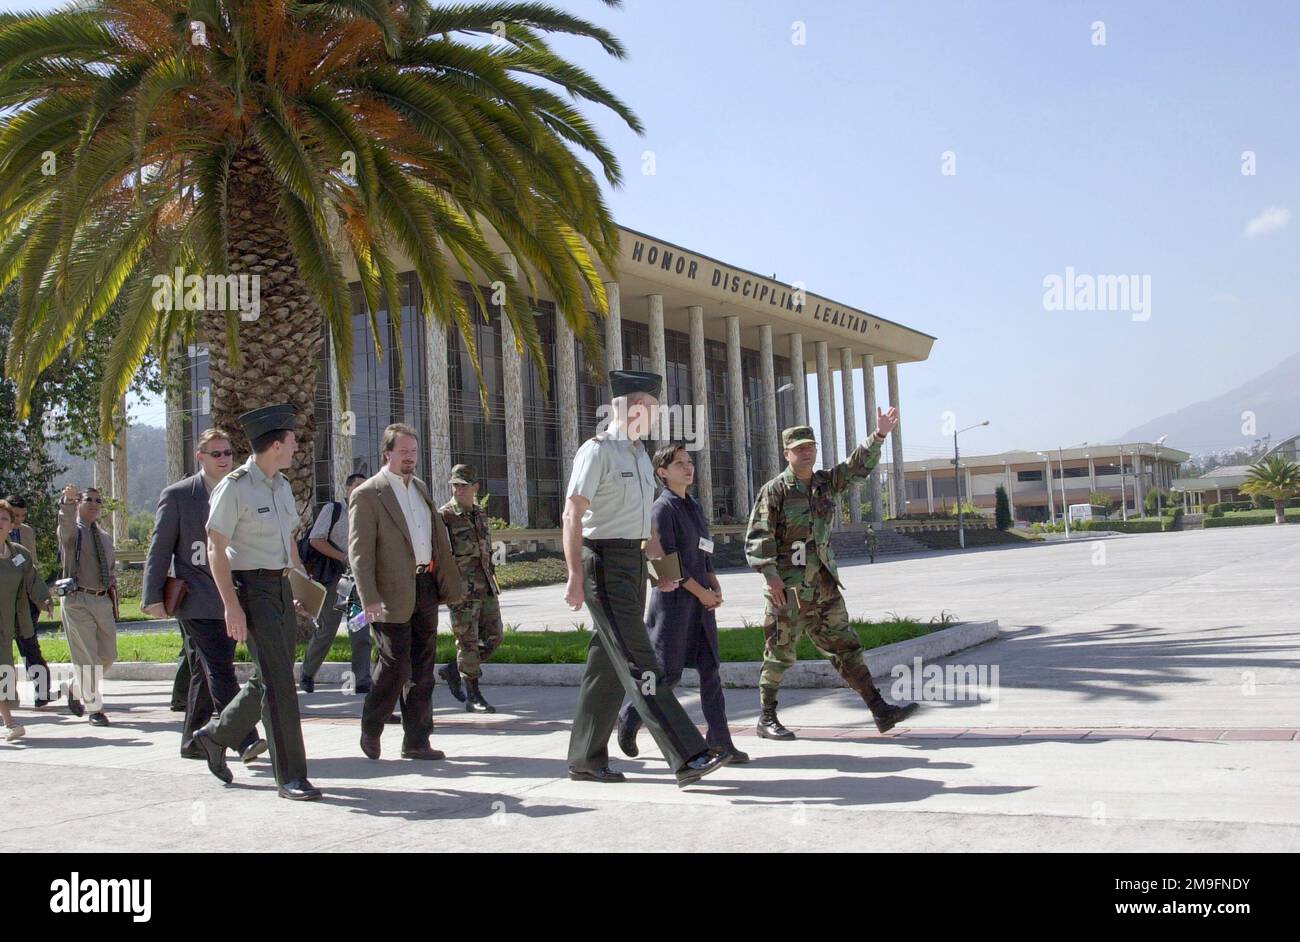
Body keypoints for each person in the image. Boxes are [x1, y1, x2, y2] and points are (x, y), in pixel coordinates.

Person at [563, 370, 729, 788]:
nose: (657, 417)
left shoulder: (639, 453)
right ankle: (688, 755)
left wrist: (663, 571)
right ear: (637, 408)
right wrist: (573, 576)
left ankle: (585, 757)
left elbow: (645, 527)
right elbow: (572, 514)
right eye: (654, 409)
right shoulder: (597, 451)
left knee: (606, 663)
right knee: (642, 661)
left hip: (631, 563)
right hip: (602, 561)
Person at [744, 410, 919, 740]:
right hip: (790, 589)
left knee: (847, 646)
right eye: (799, 448)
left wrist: (878, 436)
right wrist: (771, 578)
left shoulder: (825, 484)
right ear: (786, 454)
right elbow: (758, 536)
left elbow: (855, 468)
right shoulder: (776, 490)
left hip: (823, 585)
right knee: (780, 652)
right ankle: (766, 717)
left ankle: (880, 710)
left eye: (810, 446)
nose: (806, 452)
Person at [192, 404, 321, 801]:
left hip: (280, 588)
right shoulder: (235, 487)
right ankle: (291, 778)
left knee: (269, 676)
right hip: (250, 589)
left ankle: (216, 736)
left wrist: (301, 587)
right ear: (276, 444)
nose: (297, 447)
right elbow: (216, 549)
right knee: (281, 683)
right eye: (293, 441)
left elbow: (289, 545)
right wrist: (231, 606)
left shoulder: (280, 485)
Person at [616, 443, 748, 764]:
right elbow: (664, 564)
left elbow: (704, 549)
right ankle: (630, 715)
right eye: (679, 464)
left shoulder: (694, 507)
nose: (688, 468)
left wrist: (713, 580)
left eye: (689, 463)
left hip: (700, 604)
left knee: (710, 670)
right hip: (674, 606)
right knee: (667, 674)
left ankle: (720, 741)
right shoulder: (662, 509)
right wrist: (700, 591)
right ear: (662, 472)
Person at [142, 427, 267, 763]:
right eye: (216, 454)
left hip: (231, 595)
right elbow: (160, 547)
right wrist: (151, 595)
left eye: (228, 453)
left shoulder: (241, 491)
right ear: (201, 457)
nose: (224, 459)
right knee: (220, 667)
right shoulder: (180, 495)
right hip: (196, 596)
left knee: (204, 668)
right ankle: (244, 738)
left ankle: (195, 740)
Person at [350, 423, 463, 761]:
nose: (410, 458)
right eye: (403, 452)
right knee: (395, 664)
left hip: (425, 585)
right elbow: (360, 554)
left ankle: (416, 740)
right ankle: (372, 724)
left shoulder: (421, 488)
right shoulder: (369, 494)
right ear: (387, 454)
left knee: (423, 667)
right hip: (388, 594)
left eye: (414, 452)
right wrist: (369, 598)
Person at [437, 464, 504, 713]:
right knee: (468, 641)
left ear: (475, 487)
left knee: (495, 637)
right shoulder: (444, 516)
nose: (458, 490)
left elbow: (485, 549)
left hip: (485, 585)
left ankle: (454, 670)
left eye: (463, 485)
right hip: (461, 589)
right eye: (455, 485)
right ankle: (473, 695)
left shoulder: (480, 513)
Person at [300, 472, 368, 694]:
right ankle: (308, 674)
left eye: (364, 486)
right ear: (347, 488)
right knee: (326, 629)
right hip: (334, 580)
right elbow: (315, 539)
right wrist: (342, 556)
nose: (360, 489)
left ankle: (362, 679)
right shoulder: (334, 509)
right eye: (356, 485)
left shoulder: (369, 512)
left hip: (358, 582)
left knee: (360, 630)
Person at [56, 483, 118, 725]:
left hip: (102, 600)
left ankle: (73, 686)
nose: (94, 504)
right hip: (77, 599)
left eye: (97, 501)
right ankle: (95, 709)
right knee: (86, 658)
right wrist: (67, 502)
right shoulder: (74, 533)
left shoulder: (103, 536)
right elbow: (66, 525)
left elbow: (111, 569)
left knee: (108, 655)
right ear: (79, 504)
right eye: (88, 500)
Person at [0, 500, 50, 742]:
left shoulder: (19, 554)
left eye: (4, 519)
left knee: (3, 669)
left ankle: (10, 723)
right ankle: (11, 723)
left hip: (8, 621)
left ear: (12, 524)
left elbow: (33, 580)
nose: (0, 524)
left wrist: (45, 600)